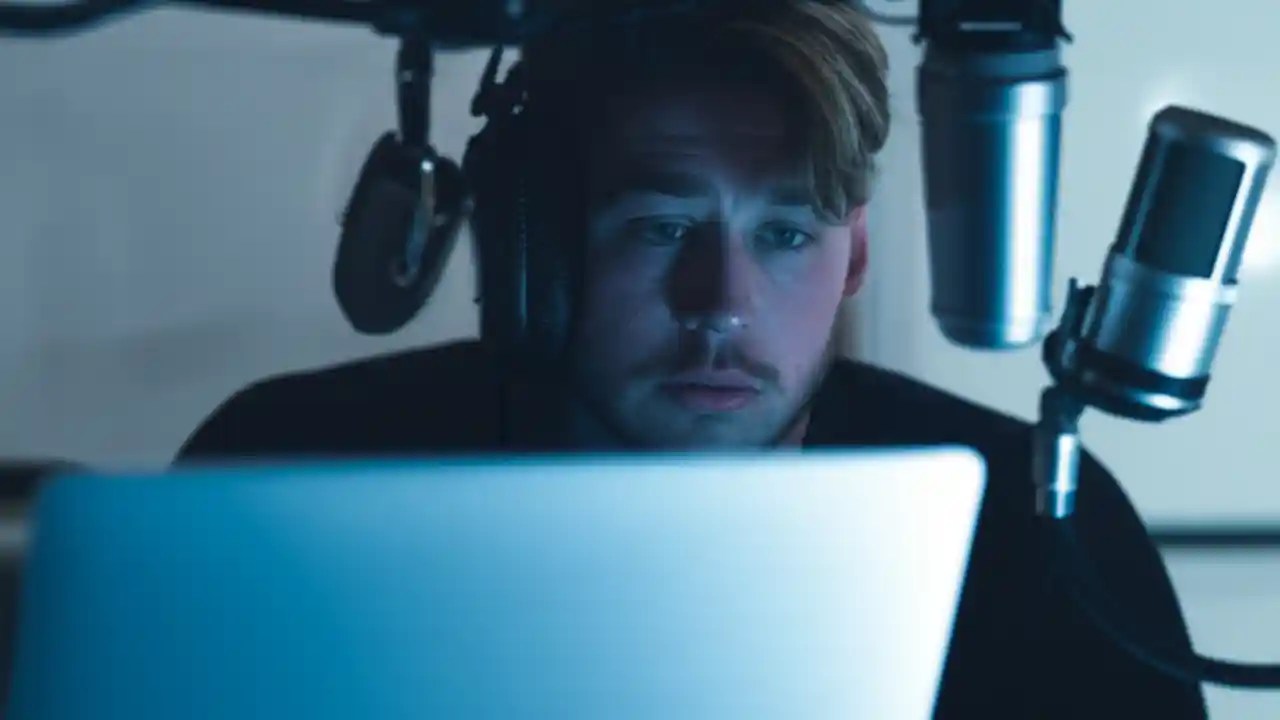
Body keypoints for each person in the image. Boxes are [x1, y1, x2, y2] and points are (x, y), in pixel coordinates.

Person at [178, 2, 1209, 716]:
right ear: (533, 247)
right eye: (661, 230)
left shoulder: (1037, 533)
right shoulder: (286, 471)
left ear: (851, 253)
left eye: (783, 235)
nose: (720, 307)